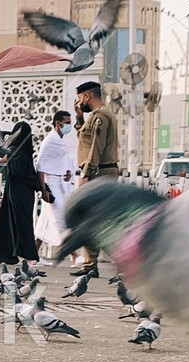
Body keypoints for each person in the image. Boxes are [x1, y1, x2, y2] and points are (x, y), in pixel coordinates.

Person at [71, 81, 119, 278]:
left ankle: (123, 263)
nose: (79, 101)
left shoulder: (100, 116)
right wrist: (79, 118)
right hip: (100, 172)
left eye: (81, 97)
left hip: (99, 173)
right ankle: (90, 264)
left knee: (99, 220)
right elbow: (87, 140)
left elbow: (95, 148)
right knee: (91, 220)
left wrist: (86, 174)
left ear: (87, 96)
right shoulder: (96, 116)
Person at [0, 121, 42, 265]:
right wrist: (37, 184)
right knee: (23, 223)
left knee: (12, 223)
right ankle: (30, 256)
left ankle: (2, 252)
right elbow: (20, 173)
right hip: (20, 193)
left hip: (19, 192)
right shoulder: (17, 151)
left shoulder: (20, 151)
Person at [34, 110, 76, 255]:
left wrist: (67, 171)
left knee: (44, 222)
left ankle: (33, 255)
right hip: (50, 183)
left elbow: (61, 160)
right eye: (67, 123)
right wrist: (43, 190)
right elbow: (40, 166)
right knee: (60, 216)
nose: (70, 126)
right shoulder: (49, 141)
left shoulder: (63, 140)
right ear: (58, 123)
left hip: (62, 182)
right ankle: (74, 255)